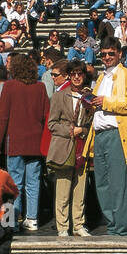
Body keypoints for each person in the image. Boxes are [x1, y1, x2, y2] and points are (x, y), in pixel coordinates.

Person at [83, 37, 127, 236]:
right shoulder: (102, 78)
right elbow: (99, 104)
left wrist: (106, 102)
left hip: (118, 135)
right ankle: (112, 225)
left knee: (119, 184)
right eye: (103, 54)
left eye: (111, 53)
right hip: (100, 134)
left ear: (119, 54)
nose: (107, 57)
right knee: (102, 184)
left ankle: (120, 229)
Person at [0, 52, 49, 232]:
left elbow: (2, 117)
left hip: (15, 141)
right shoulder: (40, 87)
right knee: (33, 182)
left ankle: (12, 221)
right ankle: (32, 218)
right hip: (35, 142)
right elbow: (45, 115)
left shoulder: (9, 87)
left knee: (14, 183)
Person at [46, 60, 92, 237]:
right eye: (73, 74)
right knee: (63, 188)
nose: (77, 77)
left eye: (80, 73)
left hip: (83, 146)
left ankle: (78, 224)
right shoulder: (59, 96)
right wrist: (71, 131)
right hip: (65, 144)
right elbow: (52, 124)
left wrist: (84, 130)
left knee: (80, 188)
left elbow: (92, 122)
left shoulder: (89, 96)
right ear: (69, 76)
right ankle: (63, 226)